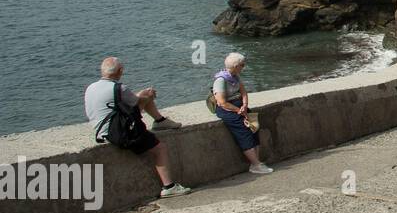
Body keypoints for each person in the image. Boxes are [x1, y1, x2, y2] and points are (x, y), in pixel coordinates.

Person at [84, 57, 191, 198]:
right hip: (119, 133)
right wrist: (149, 95)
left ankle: (160, 120)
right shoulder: (119, 88)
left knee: (142, 96)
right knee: (160, 148)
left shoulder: (91, 87)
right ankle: (169, 186)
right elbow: (138, 103)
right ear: (120, 71)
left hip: (101, 130)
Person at [212, 52, 273, 175]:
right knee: (244, 133)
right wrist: (237, 110)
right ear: (235, 66)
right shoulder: (220, 80)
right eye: (242, 65)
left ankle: (257, 162)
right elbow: (222, 102)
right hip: (228, 109)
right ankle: (256, 164)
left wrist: (244, 106)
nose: (243, 67)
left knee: (253, 129)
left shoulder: (236, 77)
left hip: (239, 106)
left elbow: (243, 92)